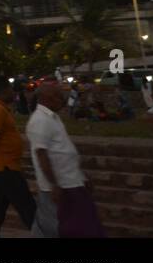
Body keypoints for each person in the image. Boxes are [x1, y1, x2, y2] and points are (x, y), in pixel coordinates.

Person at [26, 81, 105, 237]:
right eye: (58, 97)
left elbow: (63, 152)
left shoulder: (53, 118)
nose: (62, 100)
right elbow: (41, 155)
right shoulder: (40, 120)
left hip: (72, 182)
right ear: (47, 98)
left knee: (80, 225)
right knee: (58, 227)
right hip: (59, 186)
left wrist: (81, 176)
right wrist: (54, 184)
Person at [0, 74, 36, 238]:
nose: (13, 92)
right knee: (28, 208)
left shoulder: (0, 108)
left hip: (4, 166)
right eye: (10, 89)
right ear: (3, 91)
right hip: (5, 168)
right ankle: (43, 234)